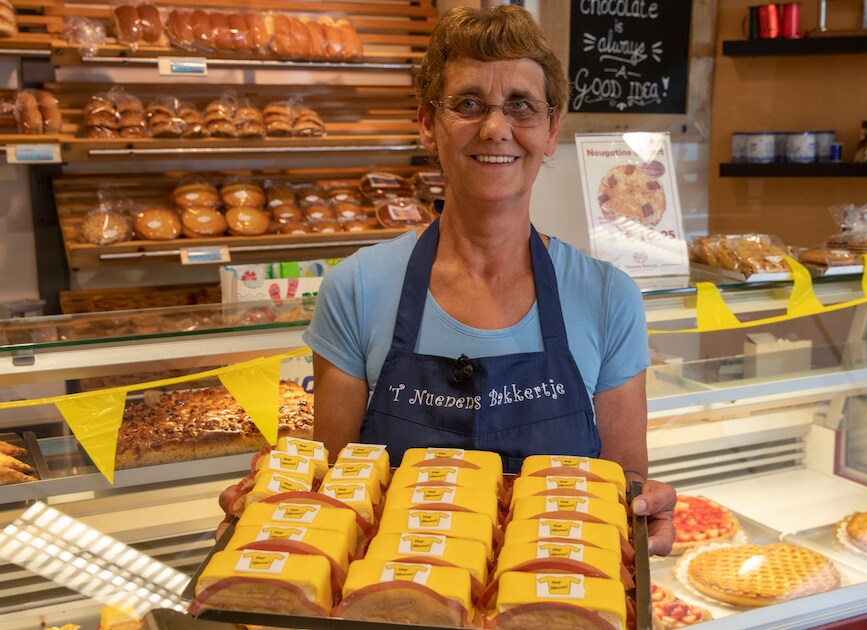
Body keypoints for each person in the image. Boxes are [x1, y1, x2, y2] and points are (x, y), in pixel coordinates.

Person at [231, 5, 677, 555]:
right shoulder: (358, 287)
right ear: (426, 122)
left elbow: (622, 483)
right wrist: (275, 502)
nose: (496, 129)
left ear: (550, 129)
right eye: (468, 104)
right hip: (390, 601)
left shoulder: (609, 297)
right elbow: (335, 490)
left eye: (522, 107)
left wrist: (644, 511)